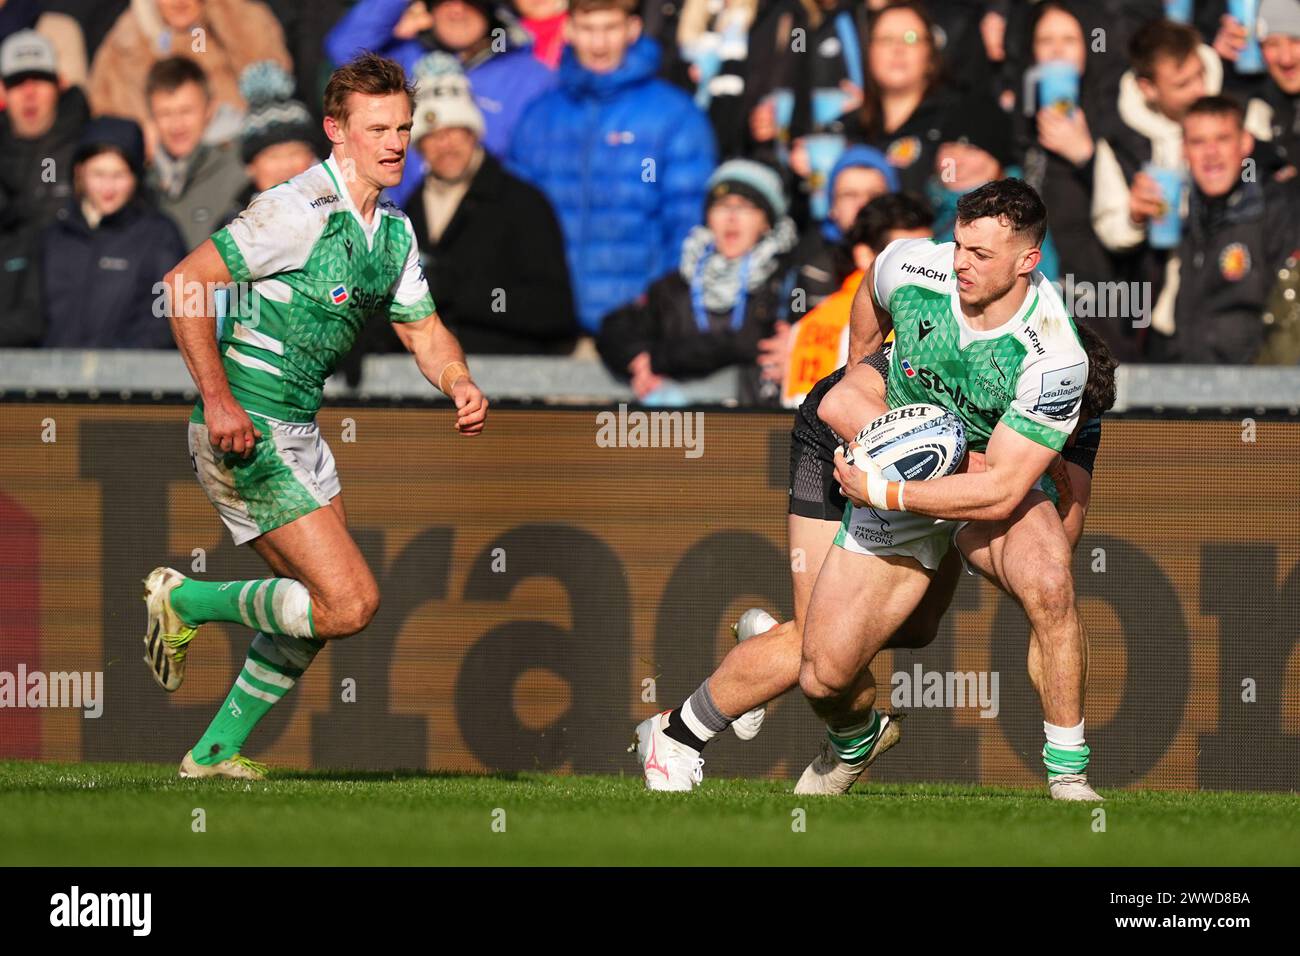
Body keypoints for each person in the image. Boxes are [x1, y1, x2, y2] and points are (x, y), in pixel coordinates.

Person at [635, 179, 1104, 802]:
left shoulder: (1055, 360)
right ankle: (679, 732)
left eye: (981, 255)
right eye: (960, 244)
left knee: (1040, 583)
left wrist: (892, 492)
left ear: (1028, 261)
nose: (961, 262)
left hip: (931, 484)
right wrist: (861, 365)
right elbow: (863, 313)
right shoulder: (915, 264)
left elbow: (1003, 493)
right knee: (821, 665)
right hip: (867, 450)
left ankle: (1069, 777)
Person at [141, 52, 488, 780]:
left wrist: (456, 378)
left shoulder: (392, 232)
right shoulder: (294, 209)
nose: (395, 142)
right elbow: (184, 285)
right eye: (377, 128)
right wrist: (217, 399)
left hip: (299, 432)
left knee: (319, 608)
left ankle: (212, 754)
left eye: (403, 127)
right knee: (352, 601)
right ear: (336, 131)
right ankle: (187, 599)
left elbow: (424, 330)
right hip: (247, 430)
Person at [509, 0, 717, 334]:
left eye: (610, 28)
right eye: (589, 29)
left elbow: (688, 226)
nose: (599, 43)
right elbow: (515, 220)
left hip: (638, 331)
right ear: (569, 30)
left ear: (632, 29)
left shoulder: (675, 116)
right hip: (550, 327)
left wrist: (660, 313)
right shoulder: (539, 118)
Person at [400, 53, 577, 353]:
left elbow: (554, 310)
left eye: (454, 130)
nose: (445, 145)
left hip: (511, 384)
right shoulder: (406, 213)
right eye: (432, 136)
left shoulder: (522, 203)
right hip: (431, 386)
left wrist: (459, 292)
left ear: (473, 132)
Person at [597, 158, 797, 404]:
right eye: (722, 205)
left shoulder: (788, 282)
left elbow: (748, 343)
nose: (731, 217)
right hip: (686, 427)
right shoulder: (676, 284)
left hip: (753, 422)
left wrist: (661, 360)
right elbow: (615, 329)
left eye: (745, 206)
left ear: (767, 222)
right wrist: (639, 361)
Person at [324, 0, 556, 202]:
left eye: (470, 1)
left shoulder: (531, 78)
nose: (456, 8)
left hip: (493, 228)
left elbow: (542, 168)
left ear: (491, 8)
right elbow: (343, 48)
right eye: (442, 0)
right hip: (402, 228)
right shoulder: (399, 64)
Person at [1148, 95, 1299, 362]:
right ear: (1184, 150)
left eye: (1222, 139)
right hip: (1187, 382)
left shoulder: (1278, 209)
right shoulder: (1177, 209)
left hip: (1256, 389)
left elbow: (1288, 318)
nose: (1211, 153)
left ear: (1245, 143)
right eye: (1198, 142)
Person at [40, 116, 185, 347]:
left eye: (119, 175)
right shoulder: (56, 235)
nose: (108, 187)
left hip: (129, 378)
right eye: (98, 174)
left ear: (136, 177)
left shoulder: (159, 235)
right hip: (55, 377)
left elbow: (164, 319)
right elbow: (36, 317)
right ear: (80, 173)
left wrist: (115, 369)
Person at [779, 191, 931, 408]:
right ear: (864, 255)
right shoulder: (831, 321)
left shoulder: (811, 319)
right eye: (905, 257)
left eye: (931, 254)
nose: (924, 267)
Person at [88, 0, 294, 151]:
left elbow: (271, 79)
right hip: (157, 172)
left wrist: (224, 13)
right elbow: (106, 110)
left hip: (234, 155)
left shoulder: (239, 21)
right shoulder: (127, 41)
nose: (179, 2)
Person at [0, 29, 89, 346]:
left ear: (60, 83)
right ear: (3, 91)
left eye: (39, 79)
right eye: (16, 82)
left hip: (75, 314)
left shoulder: (89, 148)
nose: (29, 93)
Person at [144, 56, 249, 251]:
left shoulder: (240, 164)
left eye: (186, 111)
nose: (177, 125)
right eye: (165, 113)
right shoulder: (144, 176)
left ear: (210, 108)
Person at [787, 145, 899, 311]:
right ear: (832, 207)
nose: (863, 204)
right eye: (850, 195)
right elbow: (799, 323)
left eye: (874, 195)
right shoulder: (810, 267)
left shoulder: (918, 259)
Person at [222, 60, 323, 224]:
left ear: (312, 157)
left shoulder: (341, 211)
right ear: (250, 167)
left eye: (294, 153)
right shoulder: (235, 227)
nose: (285, 166)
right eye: (273, 157)